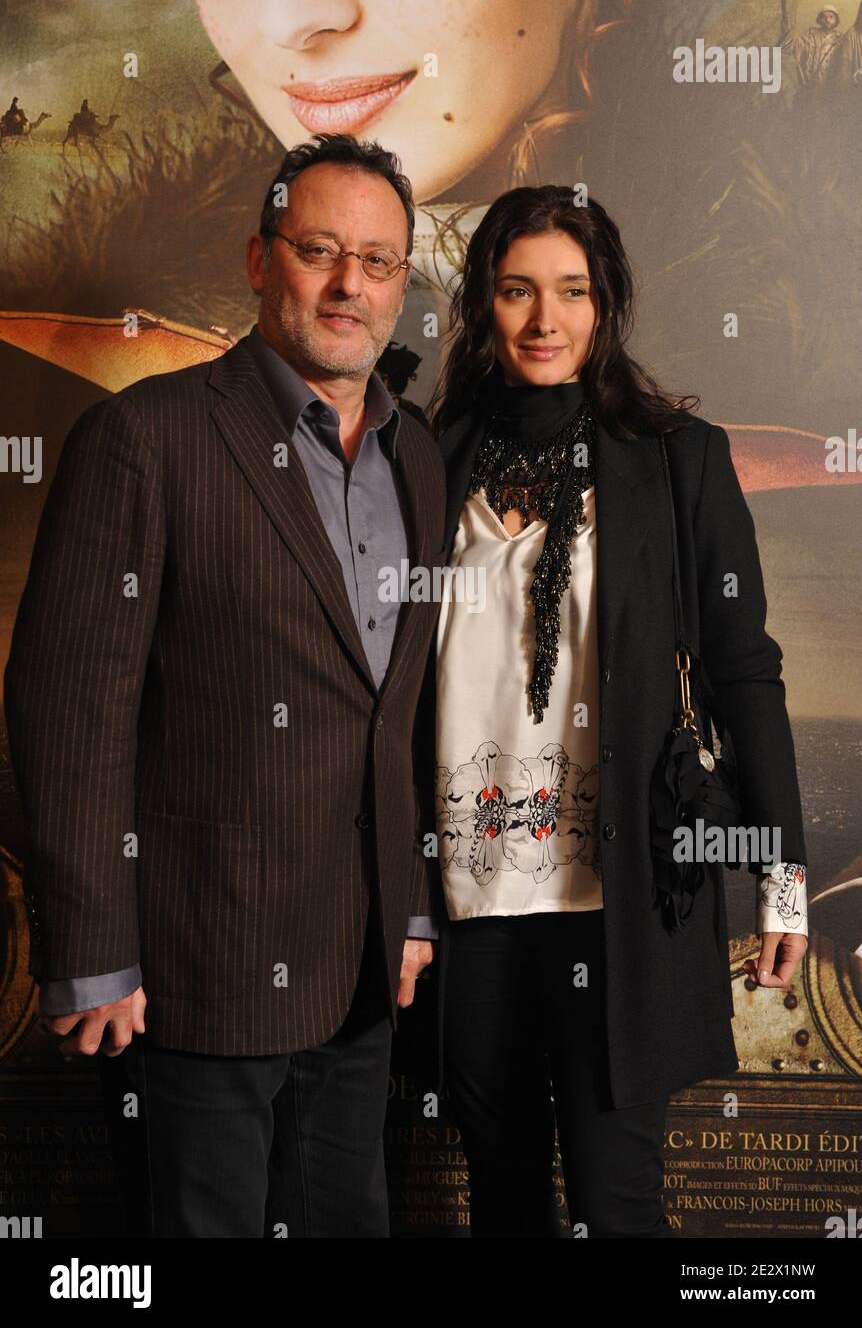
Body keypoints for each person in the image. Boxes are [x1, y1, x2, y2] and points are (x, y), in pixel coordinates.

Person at [3, 133, 446, 1238]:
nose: (349, 283)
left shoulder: (420, 460)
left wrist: (413, 901)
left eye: (379, 261)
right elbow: (69, 711)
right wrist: (94, 953)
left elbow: (401, 711)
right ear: (260, 259)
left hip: (359, 972)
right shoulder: (143, 440)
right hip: (197, 966)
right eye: (319, 250)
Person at [414, 185, 809, 1238]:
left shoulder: (679, 460)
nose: (545, 320)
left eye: (572, 291)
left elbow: (743, 672)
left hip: (622, 894)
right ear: (482, 306)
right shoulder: (423, 460)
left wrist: (780, 878)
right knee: (496, 1194)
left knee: (614, 1199)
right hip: (465, 899)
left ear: (607, 304)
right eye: (516, 290)